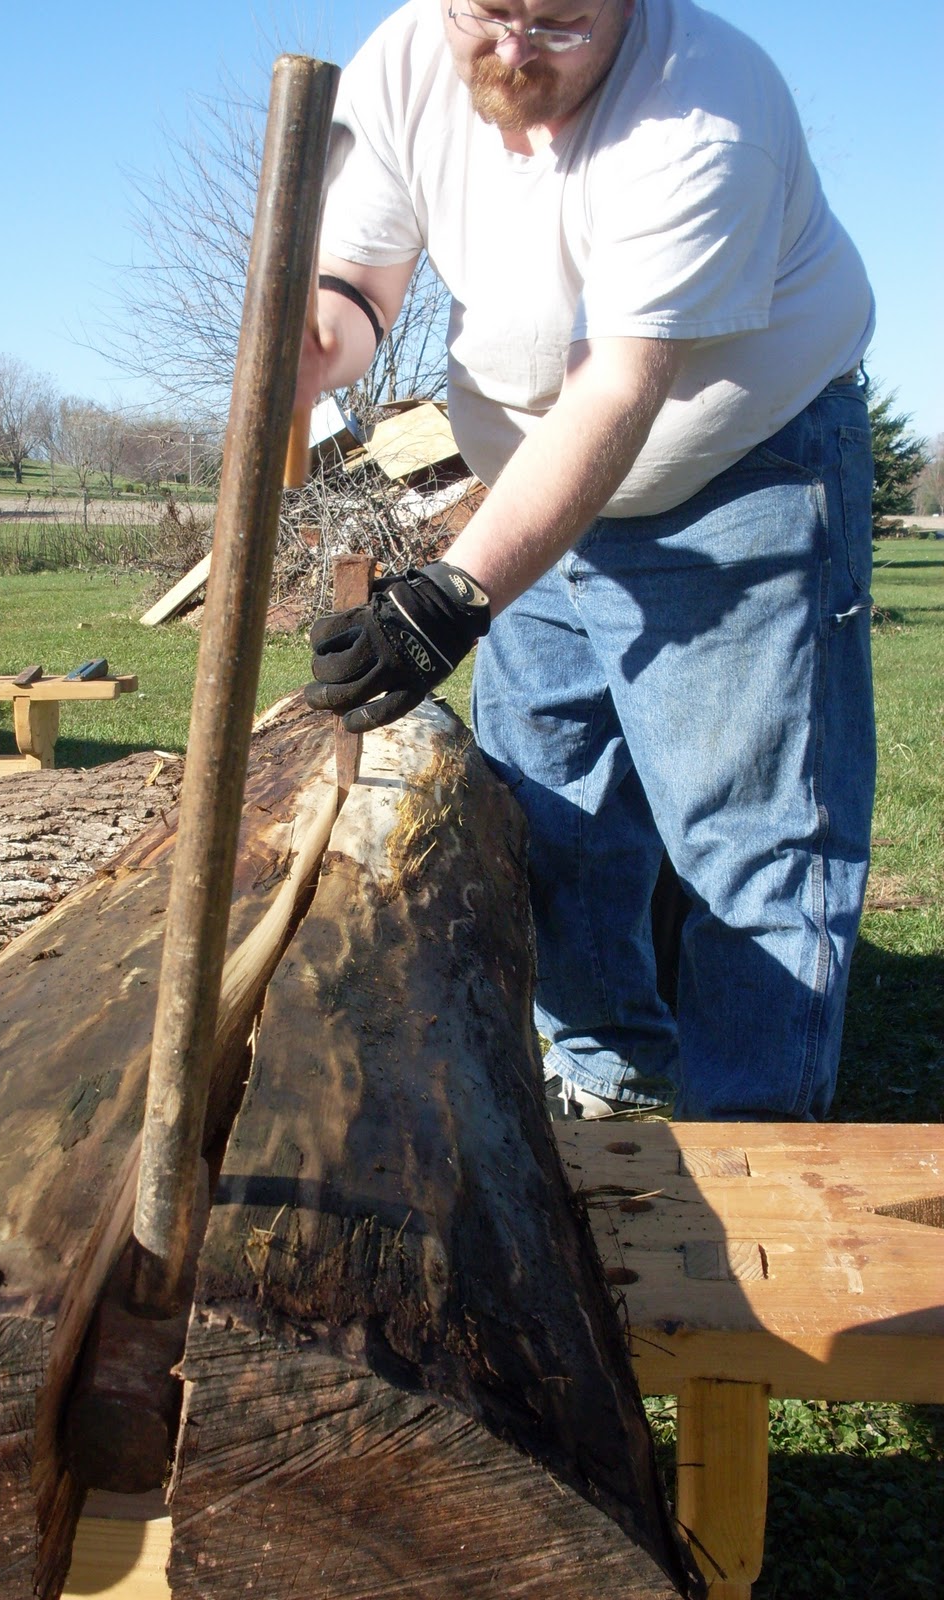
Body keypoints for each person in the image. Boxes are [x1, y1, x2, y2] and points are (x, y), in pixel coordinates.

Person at [299, 0, 876, 1122]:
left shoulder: (707, 110)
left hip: (736, 478)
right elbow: (361, 279)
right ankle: (608, 1087)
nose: (514, 52)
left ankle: (753, 1161)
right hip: (532, 483)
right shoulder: (407, 58)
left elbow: (613, 389)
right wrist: (316, 339)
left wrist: (450, 597)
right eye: (492, 14)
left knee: (750, 848)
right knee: (548, 814)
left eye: (560, 23)